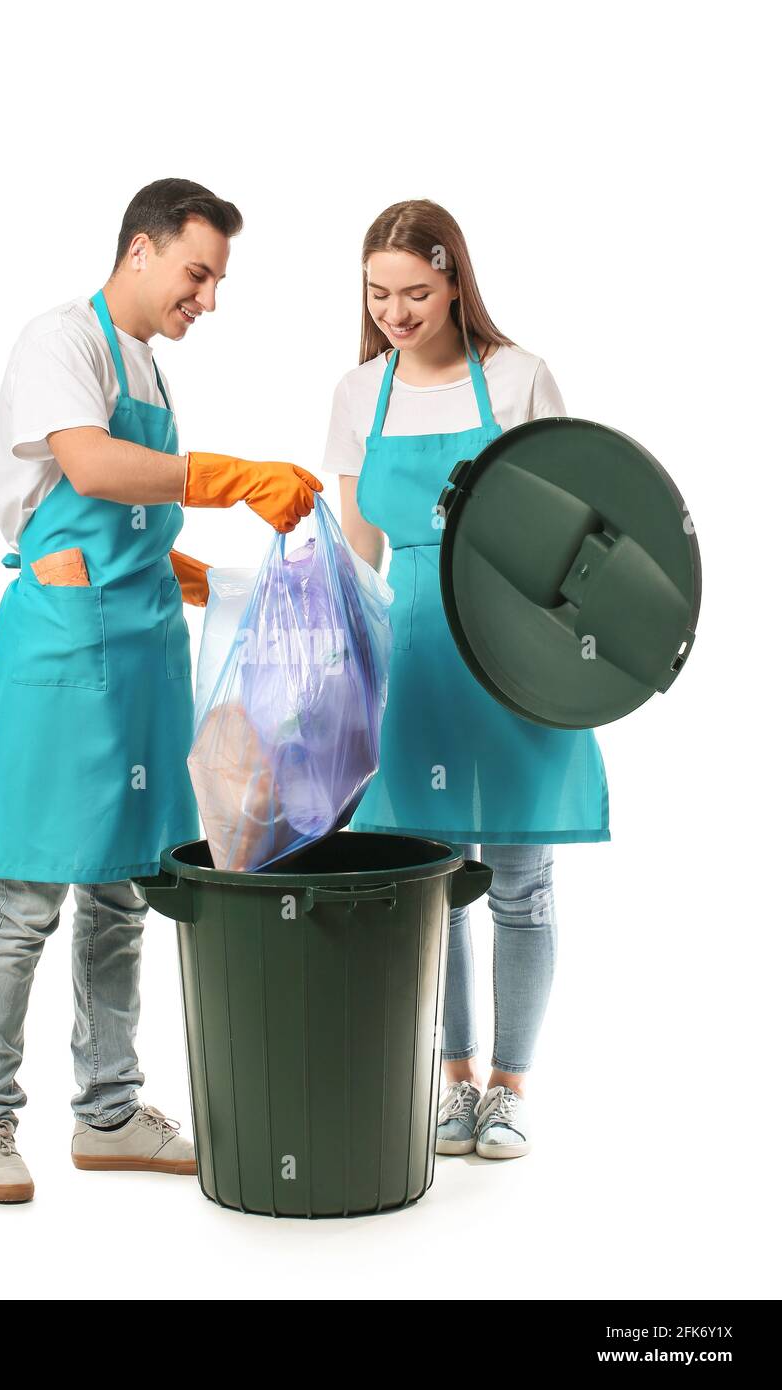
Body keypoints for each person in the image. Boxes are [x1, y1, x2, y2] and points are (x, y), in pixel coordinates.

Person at [0, 178, 322, 1203]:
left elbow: (136, 518)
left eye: (215, 279)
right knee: (28, 893)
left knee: (121, 890)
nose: (207, 296)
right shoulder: (58, 341)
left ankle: (109, 1112)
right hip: (67, 650)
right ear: (141, 251)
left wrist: (194, 573)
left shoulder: (151, 373)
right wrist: (235, 475)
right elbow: (94, 467)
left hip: (143, 647)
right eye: (197, 272)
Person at [322, 199, 608, 1160]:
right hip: (414, 667)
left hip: (514, 654)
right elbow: (357, 548)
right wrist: (337, 661)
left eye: (414, 291)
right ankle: (450, 1082)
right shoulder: (360, 393)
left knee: (521, 881)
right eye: (377, 294)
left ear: (455, 282)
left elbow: (575, 529)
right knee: (431, 884)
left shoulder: (519, 378)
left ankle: (510, 1085)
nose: (395, 311)